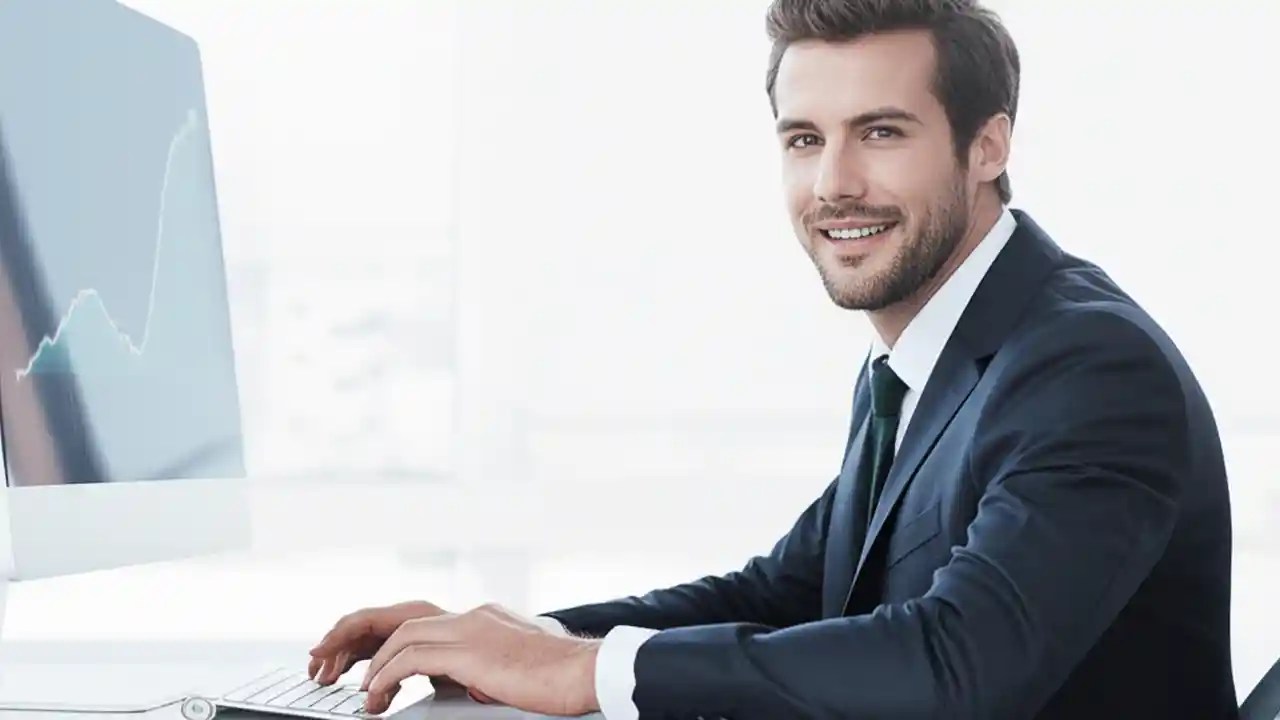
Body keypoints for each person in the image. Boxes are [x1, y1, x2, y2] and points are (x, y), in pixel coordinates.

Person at [307, 1, 1238, 717]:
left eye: (880, 132)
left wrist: (583, 672)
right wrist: (527, 636)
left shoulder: (1085, 365)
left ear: (986, 145)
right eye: (805, 139)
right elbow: (793, 589)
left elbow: (964, 663)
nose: (834, 184)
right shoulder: (929, 359)